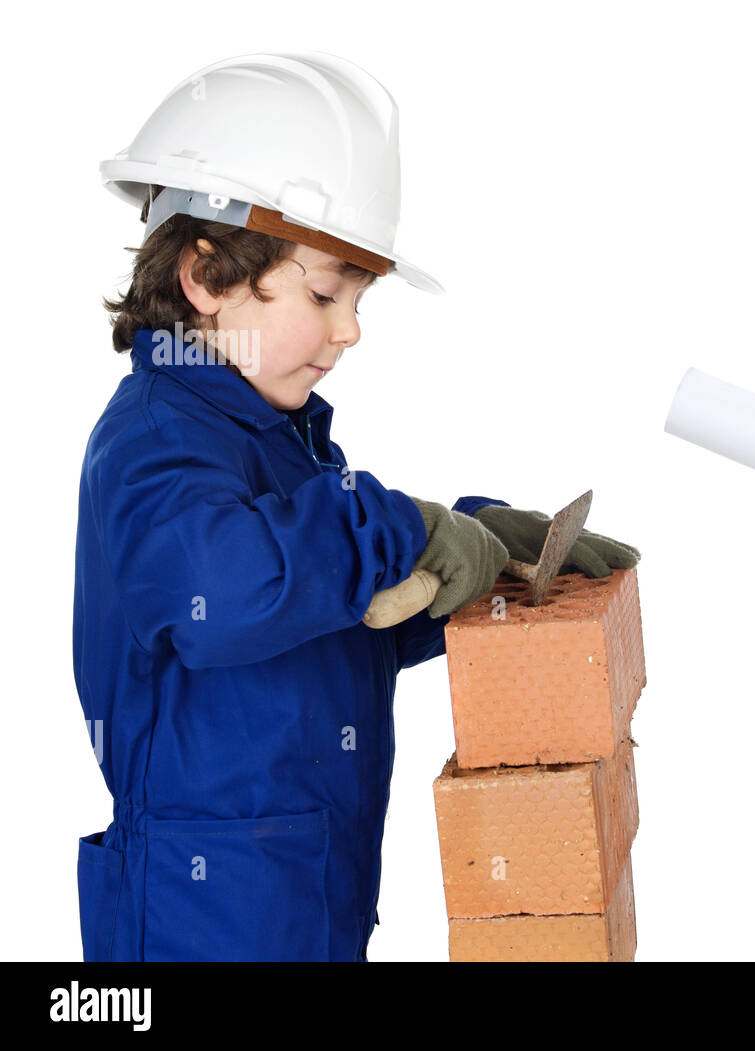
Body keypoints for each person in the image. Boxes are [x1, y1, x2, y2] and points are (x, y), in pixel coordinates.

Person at [74, 51, 638, 962]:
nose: (351, 329)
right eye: (327, 291)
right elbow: (221, 595)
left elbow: (327, 613)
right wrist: (402, 528)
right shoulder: (151, 439)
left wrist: (471, 557)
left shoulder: (278, 442)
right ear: (208, 276)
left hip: (308, 913)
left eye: (360, 298)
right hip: (195, 924)